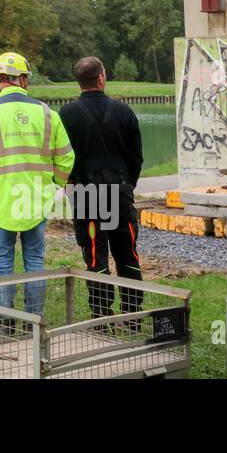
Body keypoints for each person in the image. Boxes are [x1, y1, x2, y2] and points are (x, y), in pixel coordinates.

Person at [0, 52, 73, 323]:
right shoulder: (47, 113)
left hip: (1, 202)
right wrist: (54, 184)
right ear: (22, 79)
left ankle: (5, 323)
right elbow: (66, 157)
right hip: (36, 200)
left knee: (3, 263)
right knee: (35, 261)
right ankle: (35, 319)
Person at [58, 57, 145, 319]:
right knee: (126, 251)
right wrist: (128, 184)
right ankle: (132, 314)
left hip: (86, 193)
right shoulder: (124, 112)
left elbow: (62, 156)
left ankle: (101, 315)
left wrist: (71, 183)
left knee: (95, 254)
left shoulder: (66, 114)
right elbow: (136, 157)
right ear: (101, 78)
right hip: (119, 191)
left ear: (79, 82)